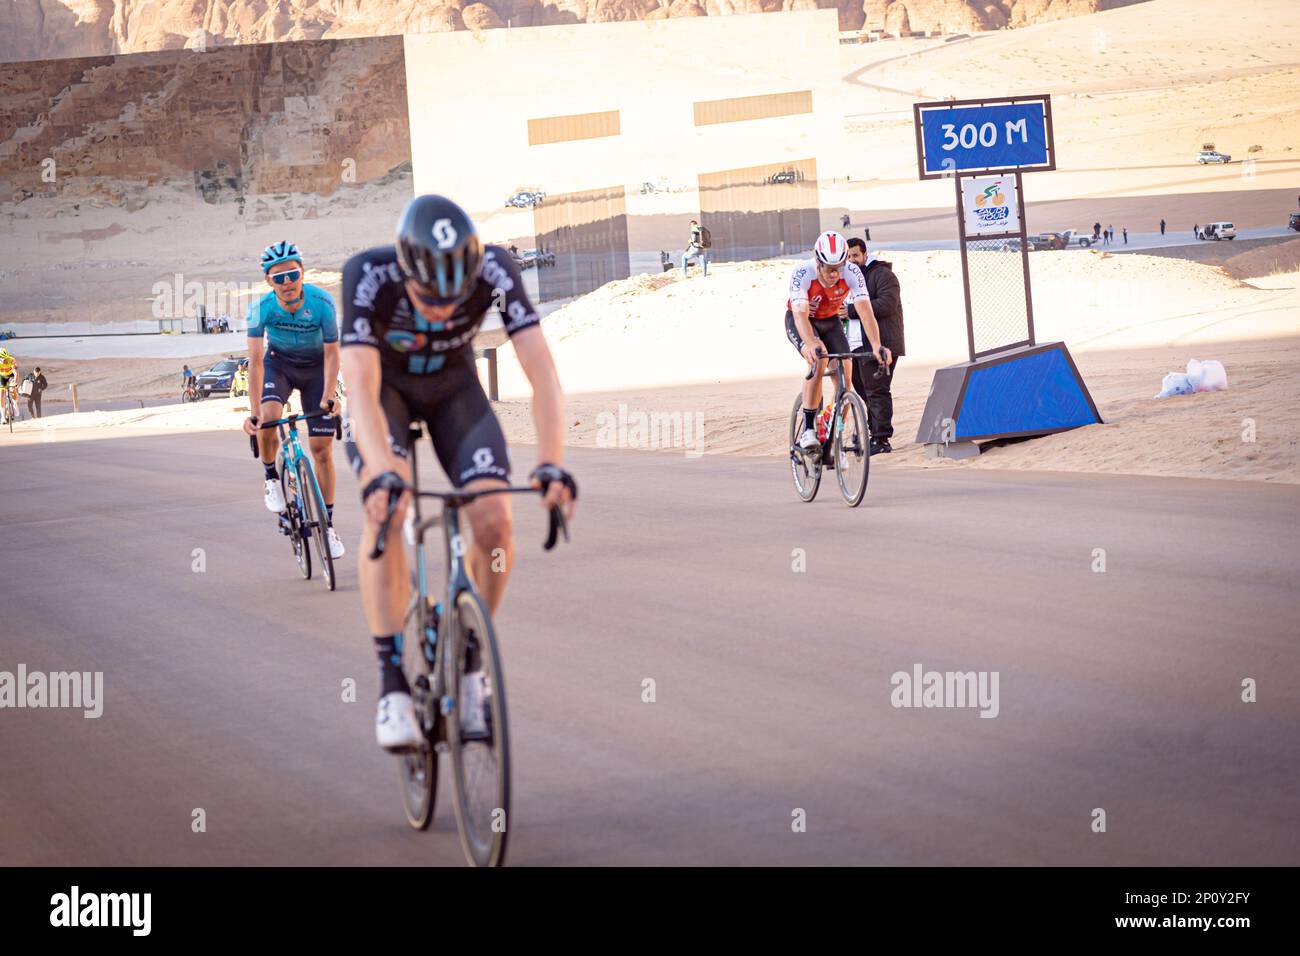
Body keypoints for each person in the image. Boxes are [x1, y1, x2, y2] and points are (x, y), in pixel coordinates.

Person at [339, 194, 577, 752]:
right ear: (406, 270)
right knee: (390, 510)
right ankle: (392, 682)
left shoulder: (495, 268)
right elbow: (360, 387)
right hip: (385, 399)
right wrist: (379, 473)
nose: (443, 311)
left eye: (454, 298)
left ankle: (469, 662)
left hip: (454, 393)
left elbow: (542, 372)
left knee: (495, 520)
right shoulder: (368, 275)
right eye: (428, 297)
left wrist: (553, 461)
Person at [241, 240, 345, 561]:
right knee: (269, 418)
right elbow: (256, 362)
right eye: (279, 277)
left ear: (302, 273)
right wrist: (254, 412)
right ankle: (272, 476)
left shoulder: (323, 303)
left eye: (292, 274)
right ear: (269, 282)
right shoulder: (260, 309)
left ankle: (327, 525)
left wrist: (330, 396)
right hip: (279, 365)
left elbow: (332, 354)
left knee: (322, 451)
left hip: (317, 370)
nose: (287, 282)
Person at [785, 230, 888, 455]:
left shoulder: (851, 271)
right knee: (819, 360)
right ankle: (809, 429)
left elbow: (865, 310)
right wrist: (810, 342)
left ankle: (834, 431)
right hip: (803, 322)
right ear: (818, 262)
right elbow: (800, 315)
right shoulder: (803, 272)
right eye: (830, 269)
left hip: (830, 322)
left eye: (839, 268)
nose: (835, 275)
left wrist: (876, 345)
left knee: (846, 376)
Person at [844, 238, 904, 454]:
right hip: (857, 346)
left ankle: (881, 439)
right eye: (848, 257)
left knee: (877, 391)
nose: (852, 260)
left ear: (865, 254)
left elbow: (888, 304)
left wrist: (851, 310)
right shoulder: (848, 278)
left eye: (855, 256)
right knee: (864, 390)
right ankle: (874, 434)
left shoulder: (882, 274)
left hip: (883, 344)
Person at [0, 348, 19, 422]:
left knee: (12, 389)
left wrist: (15, 382)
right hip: (2, 377)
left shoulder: (11, 360)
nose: (6, 360)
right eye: (4, 359)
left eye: (6, 358)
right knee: (1, 394)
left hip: (11, 375)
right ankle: (3, 417)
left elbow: (16, 373)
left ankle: (15, 404)